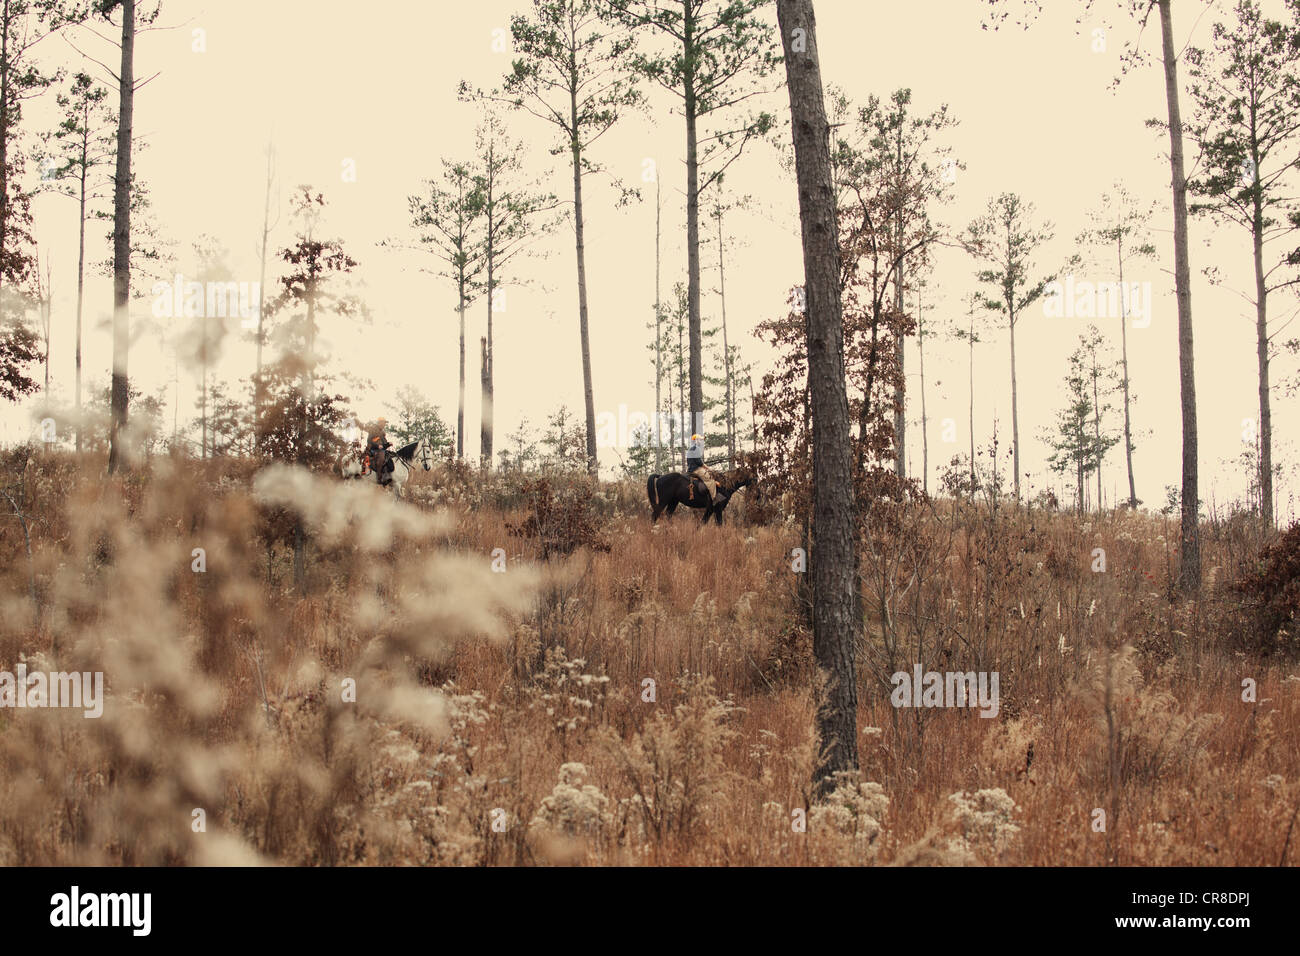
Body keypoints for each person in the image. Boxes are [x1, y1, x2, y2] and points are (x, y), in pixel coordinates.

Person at [685, 433, 722, 504]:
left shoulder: (691, 448)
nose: (701, 441)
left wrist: (704, 466)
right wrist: (708, 468)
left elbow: (696, 461)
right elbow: (699, 462)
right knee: (710, 479)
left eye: (701, 440)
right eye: (699, 440)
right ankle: (714, 499)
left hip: (693, 468)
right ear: (695, 440)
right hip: (696, 470)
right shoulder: (696, 448)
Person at [366, 417, 394, 485]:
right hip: (374, 449)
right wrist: (377, 446)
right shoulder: (373, 430)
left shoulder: (382, 432)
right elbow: (369, 440)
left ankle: (388, 474)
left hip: (382, 450)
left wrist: (388, 444)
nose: (384, 424)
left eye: (385, 423)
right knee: (381, 458)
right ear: (379, 423)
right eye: (383, 423)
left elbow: (384, 444)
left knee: (391, 456)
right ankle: (380, 478)